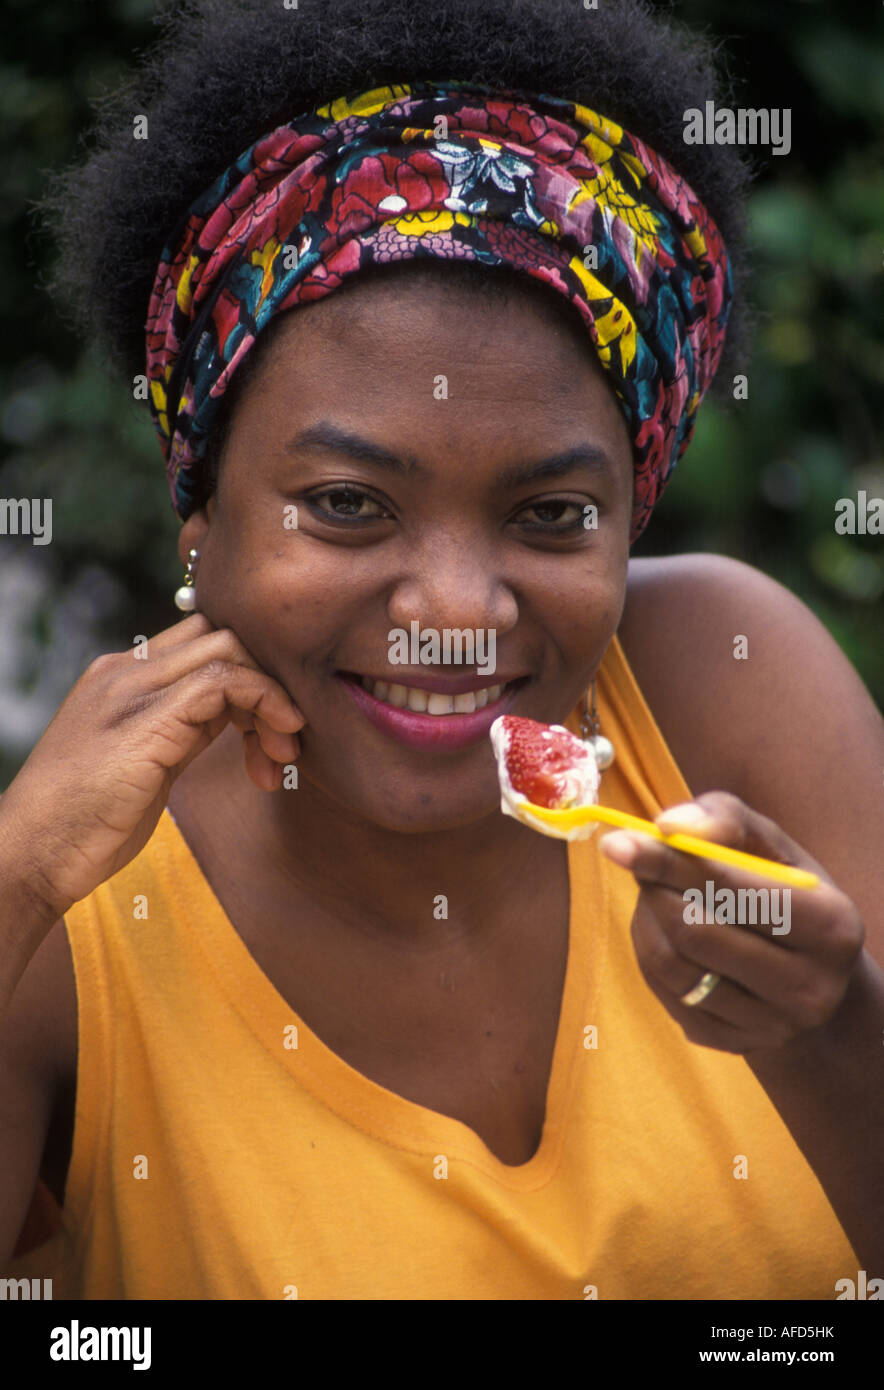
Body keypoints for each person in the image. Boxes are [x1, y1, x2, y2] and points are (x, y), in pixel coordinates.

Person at [1, 0, 882, 1301]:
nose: (457, 610)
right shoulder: (76, 910)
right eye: (348, 504)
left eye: (549, 515)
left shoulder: (733, 680)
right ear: (202, 516)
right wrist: (13, 877)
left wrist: (840, 1030)